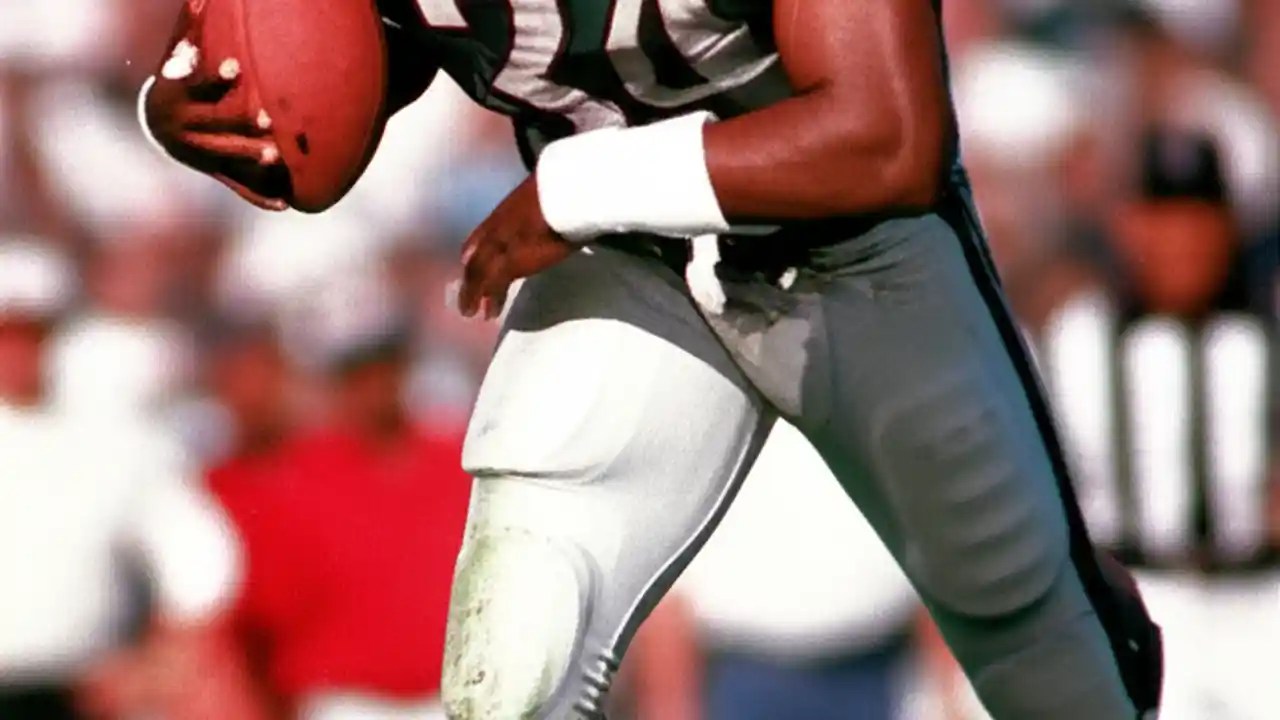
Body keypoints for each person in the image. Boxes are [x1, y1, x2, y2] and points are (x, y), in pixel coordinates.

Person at [140, 1, 1164, 718]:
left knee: (1045, 657)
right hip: (629, 265)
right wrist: (198, 110)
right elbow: (326, 105)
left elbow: (884, 136)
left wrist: (577, 188)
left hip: (856, 251)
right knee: (514, 661)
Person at [1034, 128, 1278, 720]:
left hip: (1259, 601)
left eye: (1198, 220)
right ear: (1129, 227)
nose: (1182, 243)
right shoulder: (1079, 341)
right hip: (1141, 595)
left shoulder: (1264, 339)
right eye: (1163, 220)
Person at [205, 276, 472, 720]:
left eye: (383, 363)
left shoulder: (458, 461)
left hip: (447, 700)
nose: (373, 384)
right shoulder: (288, 476)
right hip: (341, 703)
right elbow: (254, 617)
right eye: (355, 370)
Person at [0, 236, 242, 720]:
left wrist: (159, 664)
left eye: (34, 332)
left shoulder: (114, 441)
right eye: (8, 332)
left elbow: (199, 561)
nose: (19, 350)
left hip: (76, 692)